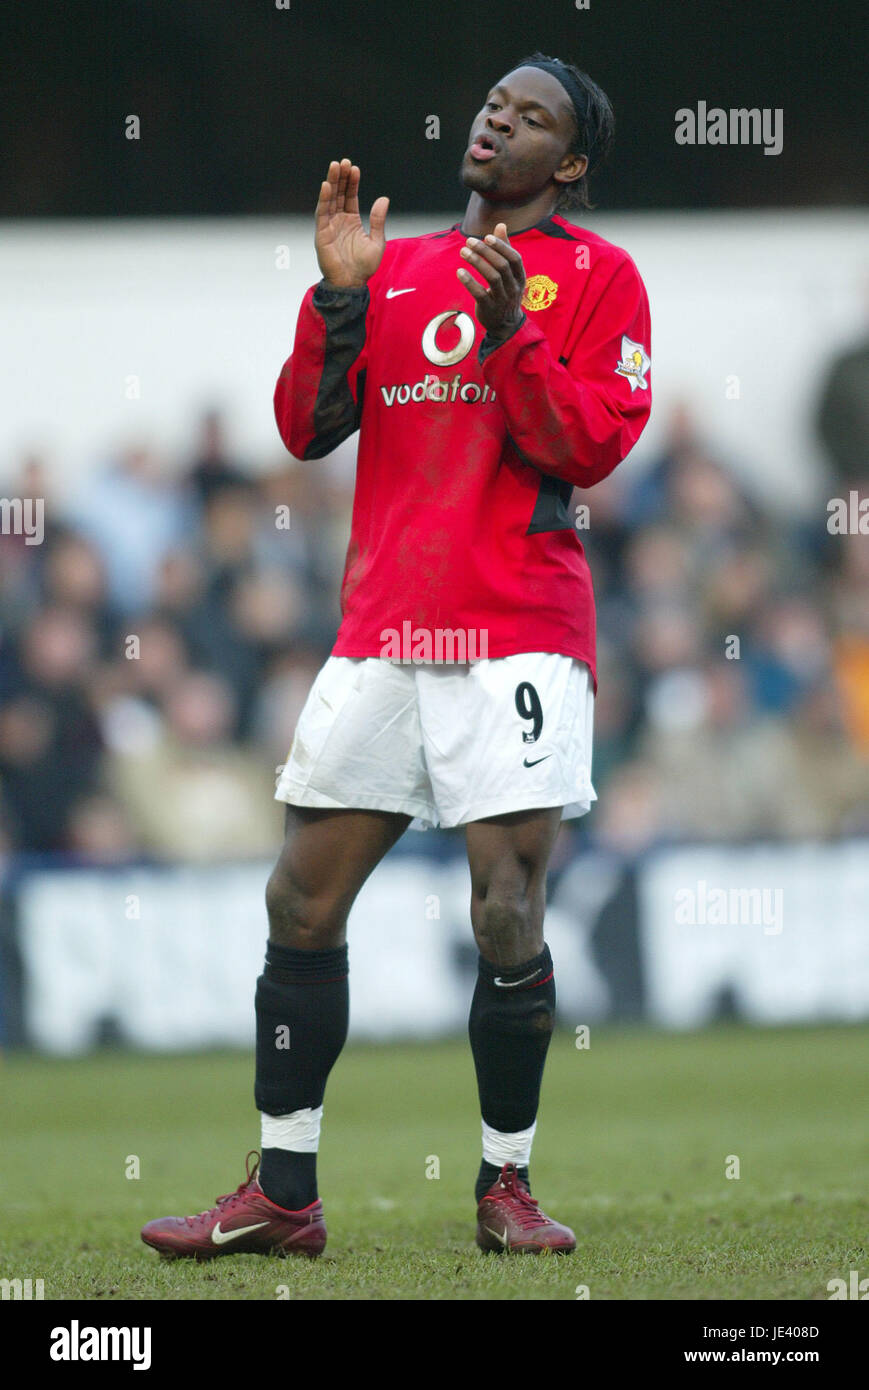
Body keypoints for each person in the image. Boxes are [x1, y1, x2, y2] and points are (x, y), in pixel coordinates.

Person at [142, 51, 652, 1260]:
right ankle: (282, 1191)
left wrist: (506, 333)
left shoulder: (599, 278)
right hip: (383, 631)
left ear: (566, 162)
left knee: (504, 914)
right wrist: (335, 301)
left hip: (517, 629)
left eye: (530, 118)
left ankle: (504, 1186)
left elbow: (584, 444)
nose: (496, 124)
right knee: (298, 898)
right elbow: (305, 428)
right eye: (492, 104)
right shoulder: (400, 265)